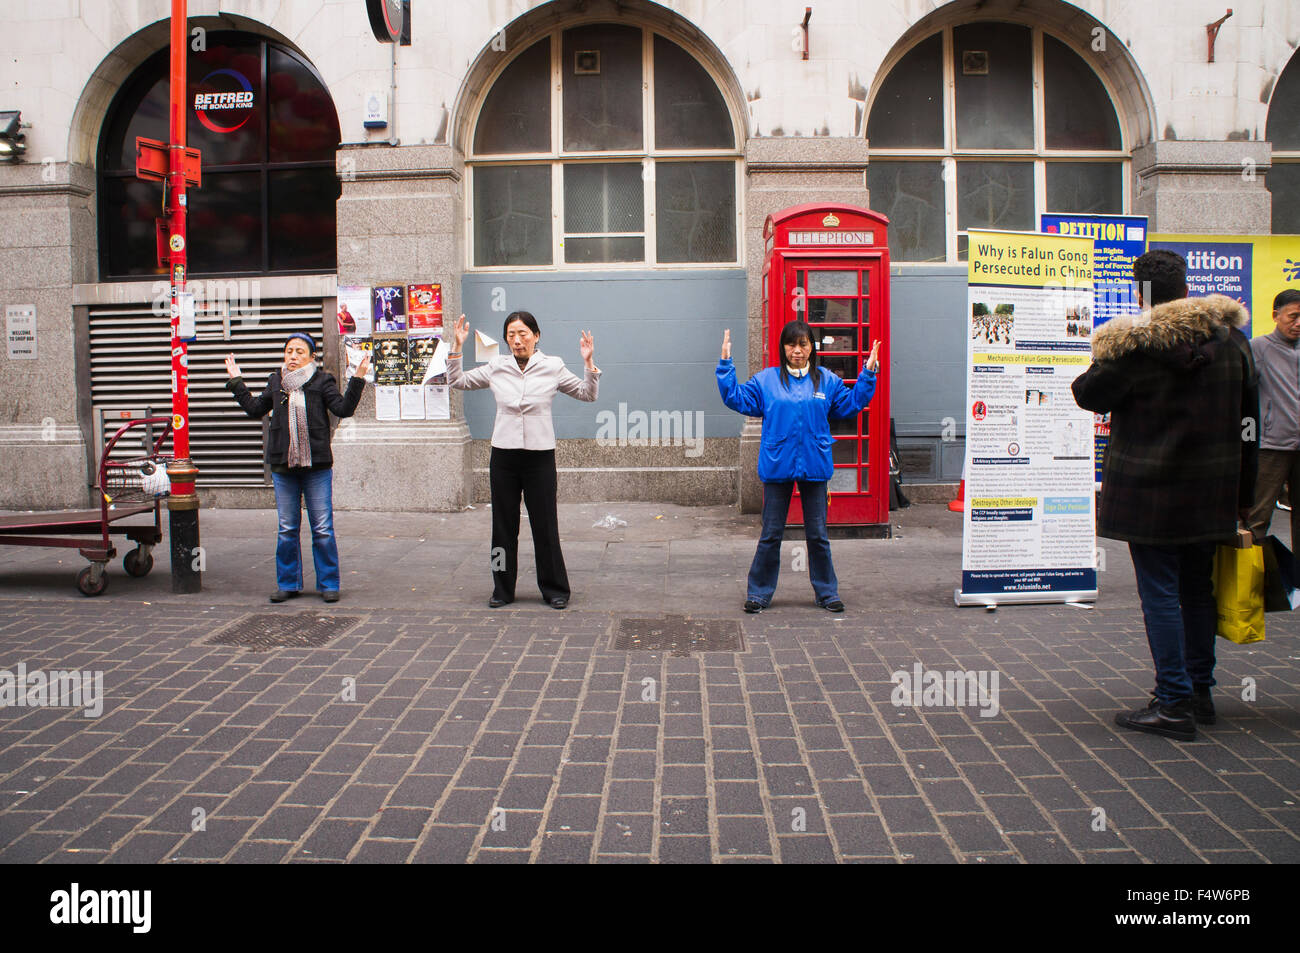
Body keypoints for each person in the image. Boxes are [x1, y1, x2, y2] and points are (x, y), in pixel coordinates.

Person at [1072, 249, 1258, 740]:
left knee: (1160, 594)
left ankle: (1172, 703)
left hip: (1149, 494)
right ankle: (1199, 692)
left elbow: (1087, 393)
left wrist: (1107, 348)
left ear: (1141, 293)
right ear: (1186, 287)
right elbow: (1249, 426)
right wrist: (1244, 500)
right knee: (1198, 589)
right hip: (1211, 493)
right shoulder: (1234, 342)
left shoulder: (1133, 348)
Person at [717, 319, 880, 613]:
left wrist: (868, 373)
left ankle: (827, 592)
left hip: (815, 465)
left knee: (817, 534)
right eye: (791, 344)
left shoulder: (826, 381)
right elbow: (736, 398)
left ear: (811, 347)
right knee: (771, 534)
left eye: (803, 344)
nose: (797, 350)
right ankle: (759, 593)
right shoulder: (766, 380)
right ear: (783, 348)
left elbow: (851, 404)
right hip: (778, 465)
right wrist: (726, 364)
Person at [447, 311, 600, 609]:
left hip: (540, 457)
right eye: (511, 335)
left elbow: (587, 394)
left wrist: (588, 363)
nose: (517, 341)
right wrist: (457, 346)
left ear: (536, 335)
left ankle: (555, 589)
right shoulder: (496, 366)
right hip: (503, 456)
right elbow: (457, 380)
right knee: (502, 526)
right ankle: (502, 589)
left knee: (545, 525)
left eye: (523, 334)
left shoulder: (552, 366)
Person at [224, 332, 368, 604]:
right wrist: (237, 381)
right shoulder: (275, 381)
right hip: (283, 464)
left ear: (311, 357)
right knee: (287, 527)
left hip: (317, 465)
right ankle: (288, 583)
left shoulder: (322, 380)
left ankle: (328, 583)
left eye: (300, 351)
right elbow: (255, 409)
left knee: (322, 527)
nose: (293, 356)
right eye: (289, 351)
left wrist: (357, 379)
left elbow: (343, 408)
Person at [1247, 289, 1300, 545]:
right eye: (1294, 316)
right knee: (1258, 516)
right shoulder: (1259, 347)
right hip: (1271, 446)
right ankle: (1248, 580)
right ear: (1276, 316)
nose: (1299, 323)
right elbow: (1241, 392)